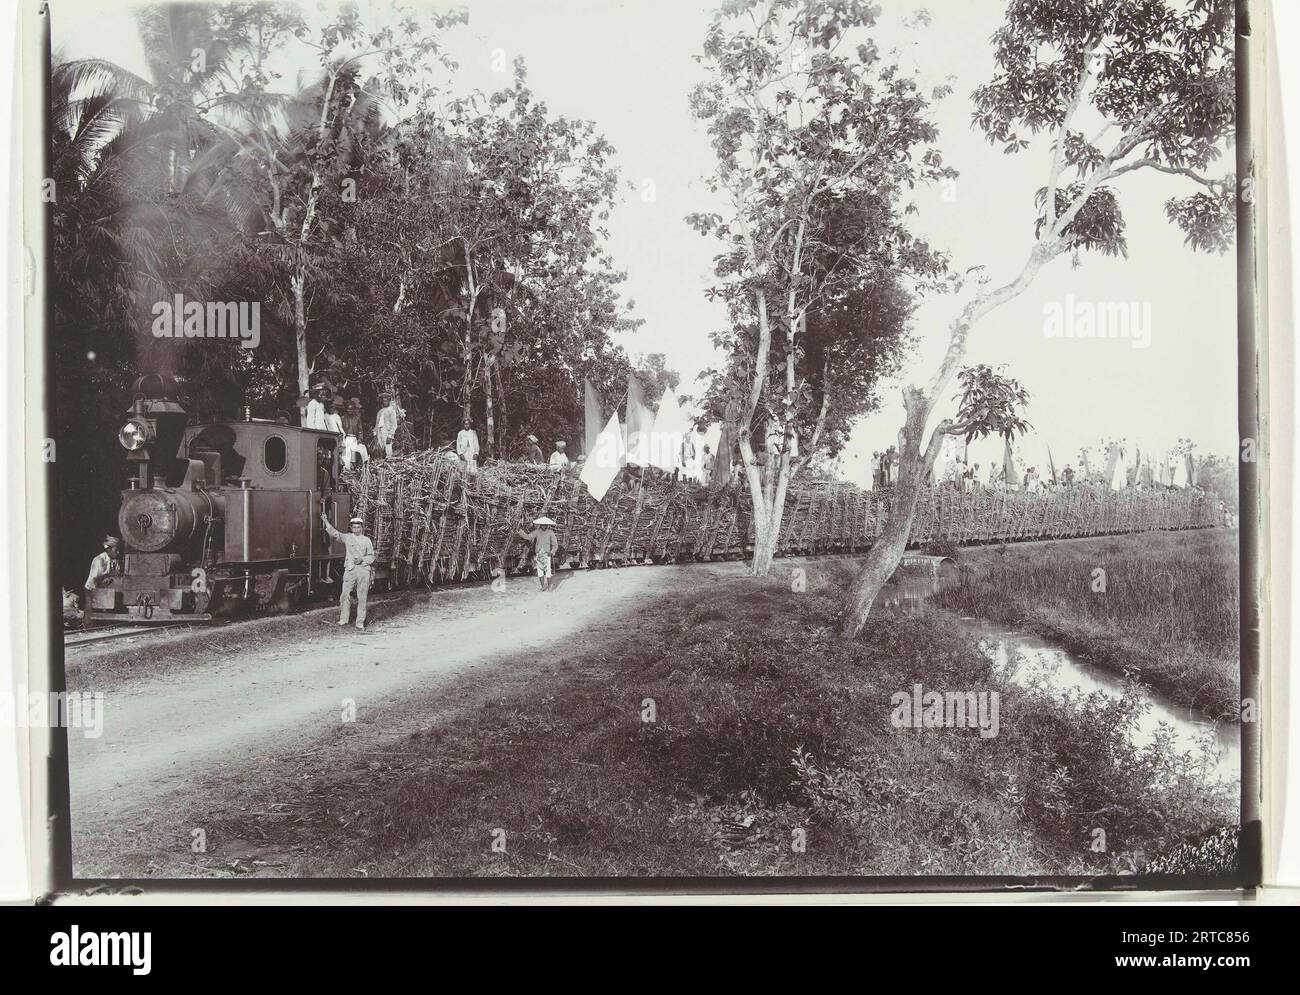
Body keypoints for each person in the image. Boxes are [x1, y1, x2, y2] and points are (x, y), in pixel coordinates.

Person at [320, 513, 375, 630]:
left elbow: (371, 557)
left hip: (363, 570)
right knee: (344, 595)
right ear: (351, 528)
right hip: (350, 569)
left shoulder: (367, 541)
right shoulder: (347, 537)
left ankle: (360, 622)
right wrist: (325, 521)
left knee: (362, 596)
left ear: (362, 528)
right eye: (354, 527)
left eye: (358, 527)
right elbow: (334, 534)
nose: (356, 529)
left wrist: (362, 559)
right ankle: (344, 619)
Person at [82, 535, 120, 629]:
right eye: (116, 550)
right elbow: (96, 578)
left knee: (104, 609)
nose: (118, 552)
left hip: (105, 587)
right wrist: (110, 574)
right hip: (92, 588)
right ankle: (88, 627)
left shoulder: (114, 560)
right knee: (90, 609)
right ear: (109, 549)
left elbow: (117, 574)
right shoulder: (99, 559)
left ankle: (99, 627)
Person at [517, 516, 559, 591]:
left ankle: (549, 587)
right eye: (543, 524)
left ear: (547, 525)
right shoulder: (537, 532)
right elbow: (528, 537)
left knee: (548, 570)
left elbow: (555, 544)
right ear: (540, 525)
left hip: (547, 554)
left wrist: (552, 552)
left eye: (545, 525)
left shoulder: (550, 532)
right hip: (539, 554)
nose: (544, 526)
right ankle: (543, 587)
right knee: (540, 571)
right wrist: (520, 531)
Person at [341, 398, 369, 468]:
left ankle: (364, 466)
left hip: (354, 438)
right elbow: (340, 429)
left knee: (362, 448)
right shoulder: (343, 418)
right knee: (347, 453)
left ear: (354, 409)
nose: (350, 410)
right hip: (346, 438)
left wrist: (360, 438)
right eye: (348, 409)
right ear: (346, 409)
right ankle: (347, 469)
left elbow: (360, 430)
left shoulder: (357, 418)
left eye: (351, 409)